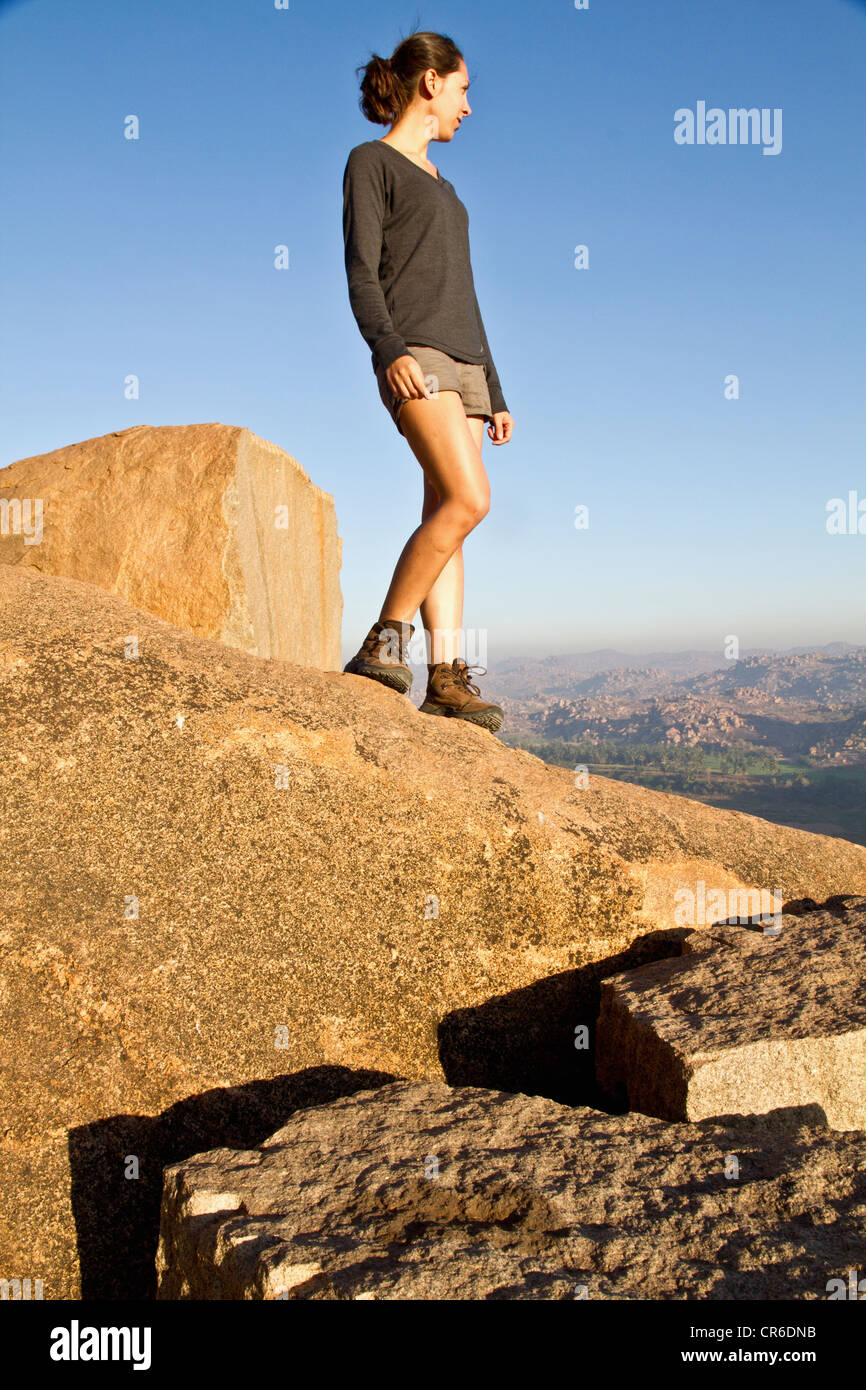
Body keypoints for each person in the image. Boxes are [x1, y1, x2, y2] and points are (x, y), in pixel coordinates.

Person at [341, 30, 513, 733]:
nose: (469, 107)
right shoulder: (371, 162)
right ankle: (385, 640)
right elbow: (360, 269)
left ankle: (445, 677)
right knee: (472, 499)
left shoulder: (450, 192)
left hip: (468, 364)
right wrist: (387, 349)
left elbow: (466, 296)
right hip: (417, 355)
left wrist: (495, 391)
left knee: (450, 517)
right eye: (464, 89)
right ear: (430, 82)